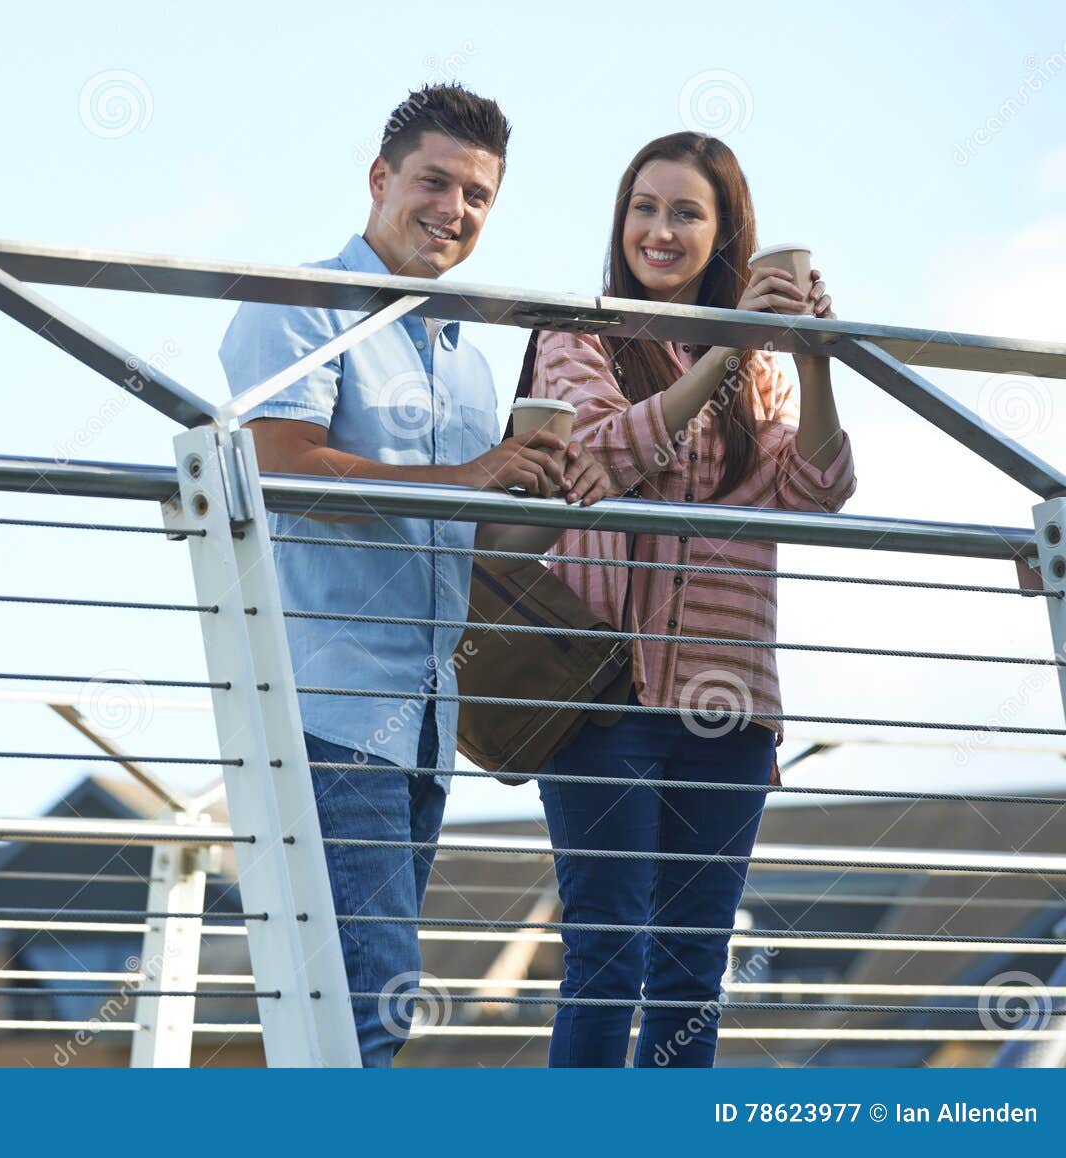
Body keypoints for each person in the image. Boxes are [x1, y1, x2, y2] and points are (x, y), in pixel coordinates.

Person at [218, 83, 614, 1066]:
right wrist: (467, 474)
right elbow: (278, 466)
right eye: (435, 182)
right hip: (327, 706)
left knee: (362, 1000)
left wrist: (549, 498)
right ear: (379, 179)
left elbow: (475, 545)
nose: (454, 210)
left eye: (478, 196)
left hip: (428, 723)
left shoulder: (468, 363)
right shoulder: (299, 300)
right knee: (370, 994)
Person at [523, 131, 857, 1067]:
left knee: (692, 968)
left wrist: (815, 353)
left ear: (726, 236)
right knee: (607, 950)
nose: (659, 230)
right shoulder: (579, 332)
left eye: (685, 213)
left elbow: (819, 489)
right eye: (644, 206)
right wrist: (728, 348)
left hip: (730, 701)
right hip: (604, 695)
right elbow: (604, 455)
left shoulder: (767, 369)